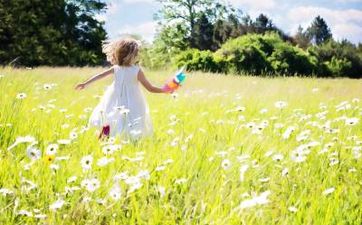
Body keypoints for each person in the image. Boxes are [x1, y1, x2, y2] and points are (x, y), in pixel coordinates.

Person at [75, 38, 171, 139]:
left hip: (116, 97)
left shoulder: (117, 68)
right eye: (136, 53)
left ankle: (108, 137)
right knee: (129, 118)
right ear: (131, 55)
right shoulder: (135, 70)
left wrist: (85, 84)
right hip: (131, 99)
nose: (138, 55)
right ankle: (121, 138)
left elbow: (99, 76)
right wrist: (164, 90)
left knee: (110, 116)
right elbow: (150, 88)